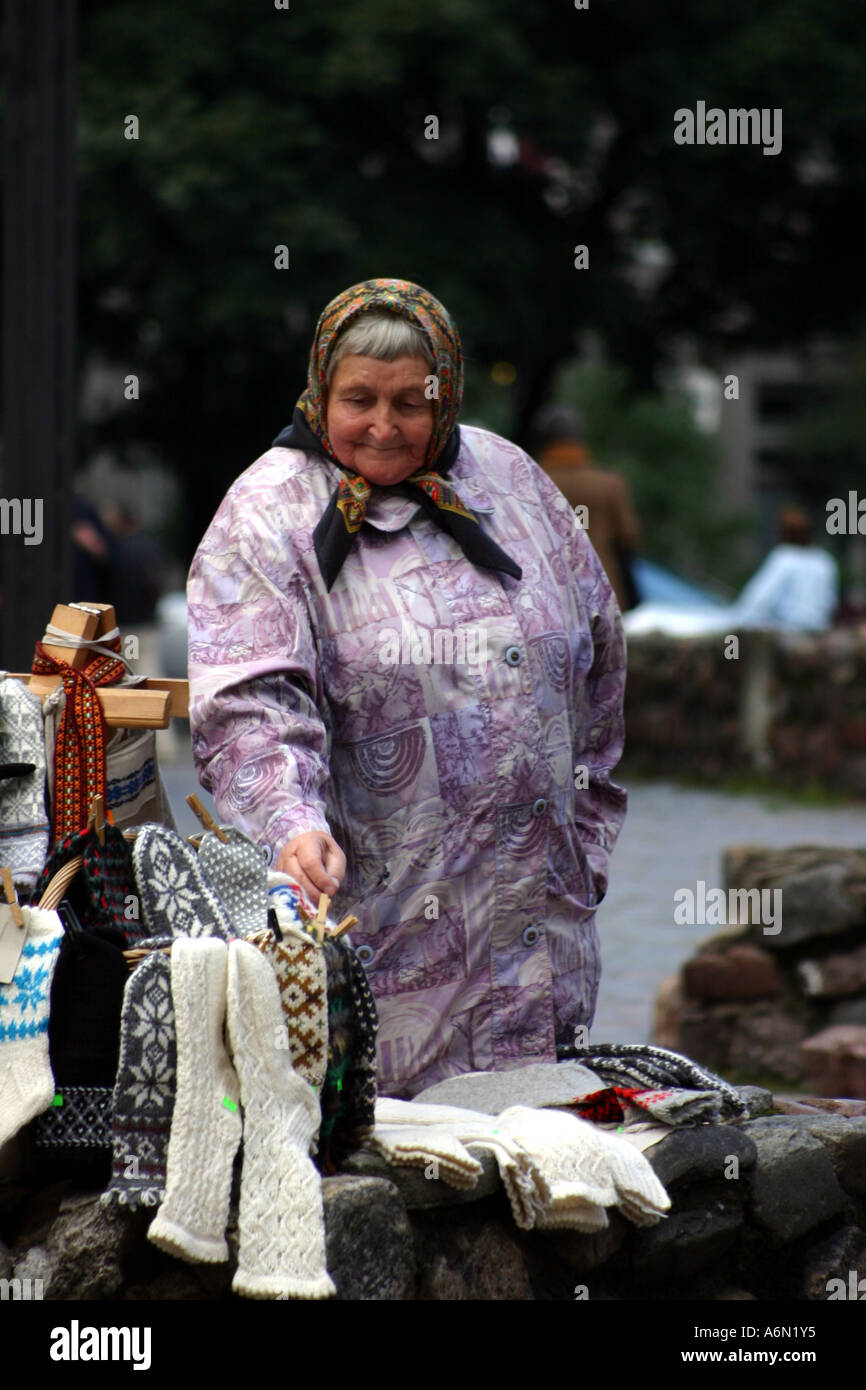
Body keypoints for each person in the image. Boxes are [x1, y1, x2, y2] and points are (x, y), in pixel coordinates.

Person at [187, 279, 627, 1098]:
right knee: (405, 1176)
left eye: (410, 402)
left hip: (540, 940)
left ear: (448, 395)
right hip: (384, 935)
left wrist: (584, 847)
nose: (383, 426)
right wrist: (287, 824)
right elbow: (251, 705)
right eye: (359, 399)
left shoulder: (513, 481)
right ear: (322, 391)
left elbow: (599, 658)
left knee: (545, 1172)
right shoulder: (267, 512)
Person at [625, 506, 838, 637]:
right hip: (816, 628)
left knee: (670, 618)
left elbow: (758, 600)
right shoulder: (825, 562)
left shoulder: (784, 557)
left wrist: (737, 619)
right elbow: (829, 603)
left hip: (785, 629)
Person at [534, 405, 641, 611]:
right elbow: (629, 535)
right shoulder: (609, 485)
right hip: (602, 592)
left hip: (549, 594)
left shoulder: (530, 482)